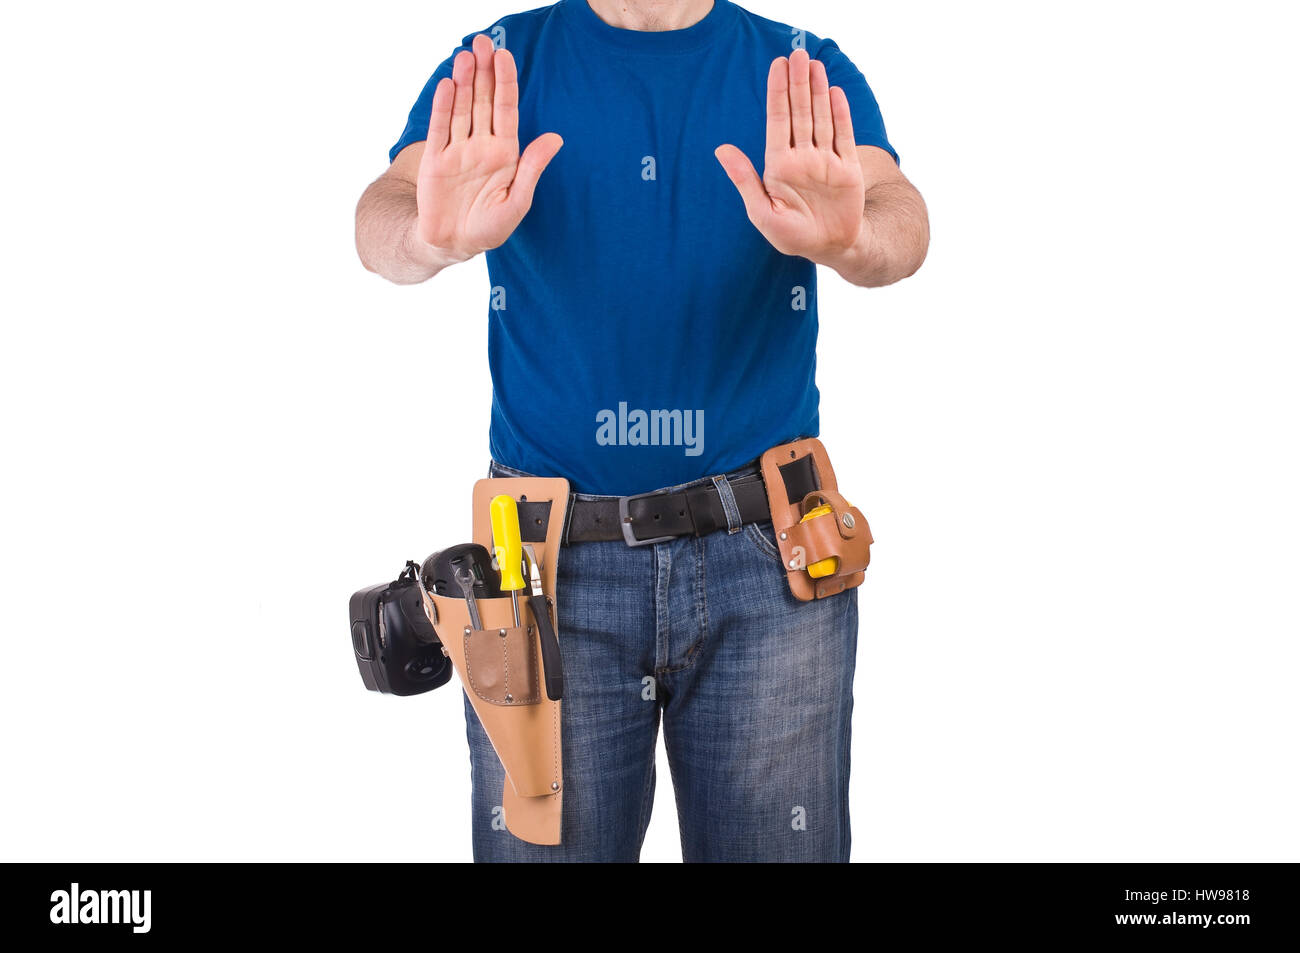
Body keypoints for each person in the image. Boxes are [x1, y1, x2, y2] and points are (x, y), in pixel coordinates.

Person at [354, 0, 929, 862]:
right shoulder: (498, 64)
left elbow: (899, 217)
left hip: (773, 563)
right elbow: (385, 214)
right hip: (545, 575)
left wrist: (855, 241)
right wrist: (427, 236)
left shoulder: (802, 70)